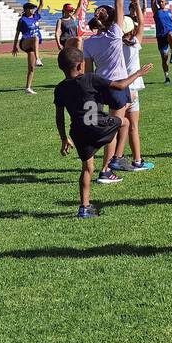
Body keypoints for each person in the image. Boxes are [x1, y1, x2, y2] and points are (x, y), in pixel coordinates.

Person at [54, 46, 151, 218]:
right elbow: (120, 86)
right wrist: (138, 73)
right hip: (97, 124)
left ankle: (84, 207)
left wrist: (64, 138)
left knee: (87, 168)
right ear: (80, 66)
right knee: (125, 122)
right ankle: (116, 159)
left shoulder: (60, 88)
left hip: (78, 132)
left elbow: (59, 116)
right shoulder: (90, 79)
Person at [81, 0, 136, 183]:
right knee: (114, 127)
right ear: (113, 20)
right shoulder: (115, 33)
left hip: (97, 88)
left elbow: (87, 72)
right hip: (117, 86)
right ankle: (106, 169)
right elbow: (119, 3)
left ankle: (94, 165)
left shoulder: (89, 42)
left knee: (95, 126)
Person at [118, 0, 155, 173]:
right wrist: (137, 2)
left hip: (118, 87)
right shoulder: (135, 43)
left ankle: (115, 159)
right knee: (133, 127)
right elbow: (142, 23)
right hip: (133, 89)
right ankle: (137, 161)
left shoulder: (113, 44)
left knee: (118, 126)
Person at [11, 0, 46, 95]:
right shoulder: (22, 20)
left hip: (33, 46)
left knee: (31, 68)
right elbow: (17, 33)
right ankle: (38, 58)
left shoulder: (36, 16)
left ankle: (28, 88)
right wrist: (14, 46)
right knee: (35, 37)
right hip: (25, 42)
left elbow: (42, 4)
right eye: (31, 8)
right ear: (26, 10)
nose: (33, 10)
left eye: (33, 8)